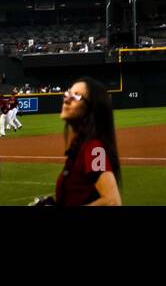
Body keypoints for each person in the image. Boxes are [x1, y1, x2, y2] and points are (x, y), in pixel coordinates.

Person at [41, 77, 122, 207]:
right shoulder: (79, 146)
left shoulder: (94, 148)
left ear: (91, 108)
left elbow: (112, 202)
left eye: (77, 96)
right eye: (67, 94)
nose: (66, 100)